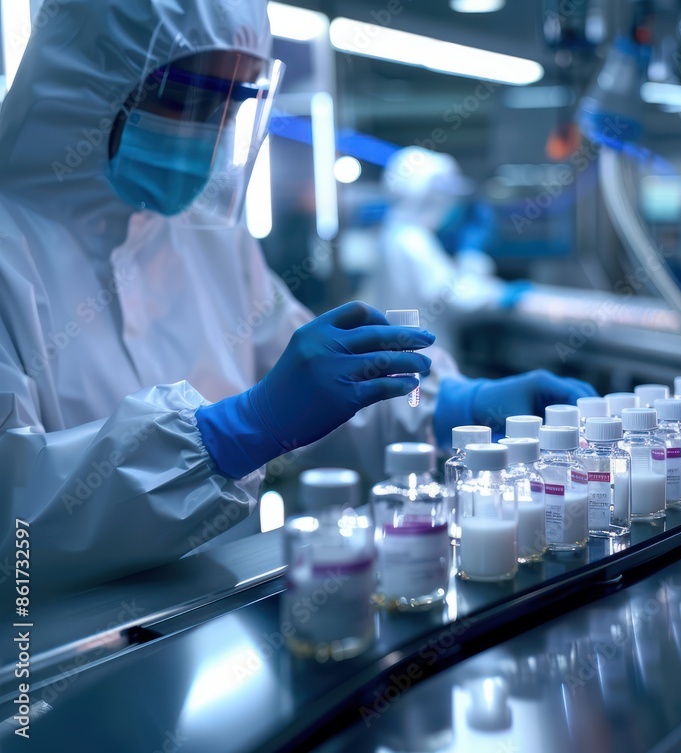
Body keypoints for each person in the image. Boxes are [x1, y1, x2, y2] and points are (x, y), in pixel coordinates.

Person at [0, 0, 595, 589]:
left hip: (215, 611)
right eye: (187, 96)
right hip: (51, 639)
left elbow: (323, 392)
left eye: (231, 102)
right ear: (92, 76)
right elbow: (13, 517)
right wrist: (232, 432)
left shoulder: (211, 242)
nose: (208, 130)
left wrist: (451, 407)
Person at [364, 146, 508, 352]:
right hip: (422, 354)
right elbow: (457, 298)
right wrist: (505, 291)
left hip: (408, 349)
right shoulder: (411, 240)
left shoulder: (394, 233)